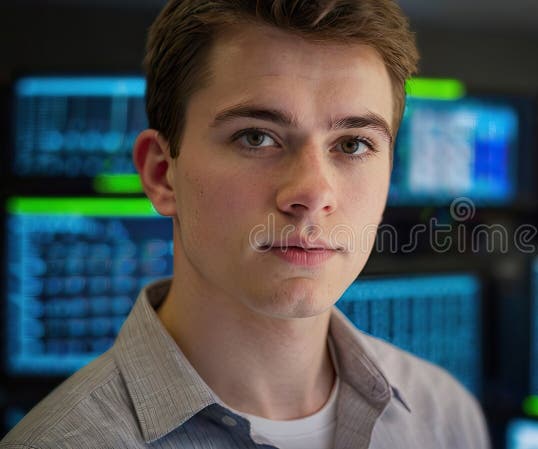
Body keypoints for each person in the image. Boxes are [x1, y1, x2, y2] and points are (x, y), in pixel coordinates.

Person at [1, 1, 490, 448]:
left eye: (353, 145)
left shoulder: (445, 416)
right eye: (256, 137)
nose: (313, 194)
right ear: (161, 174)